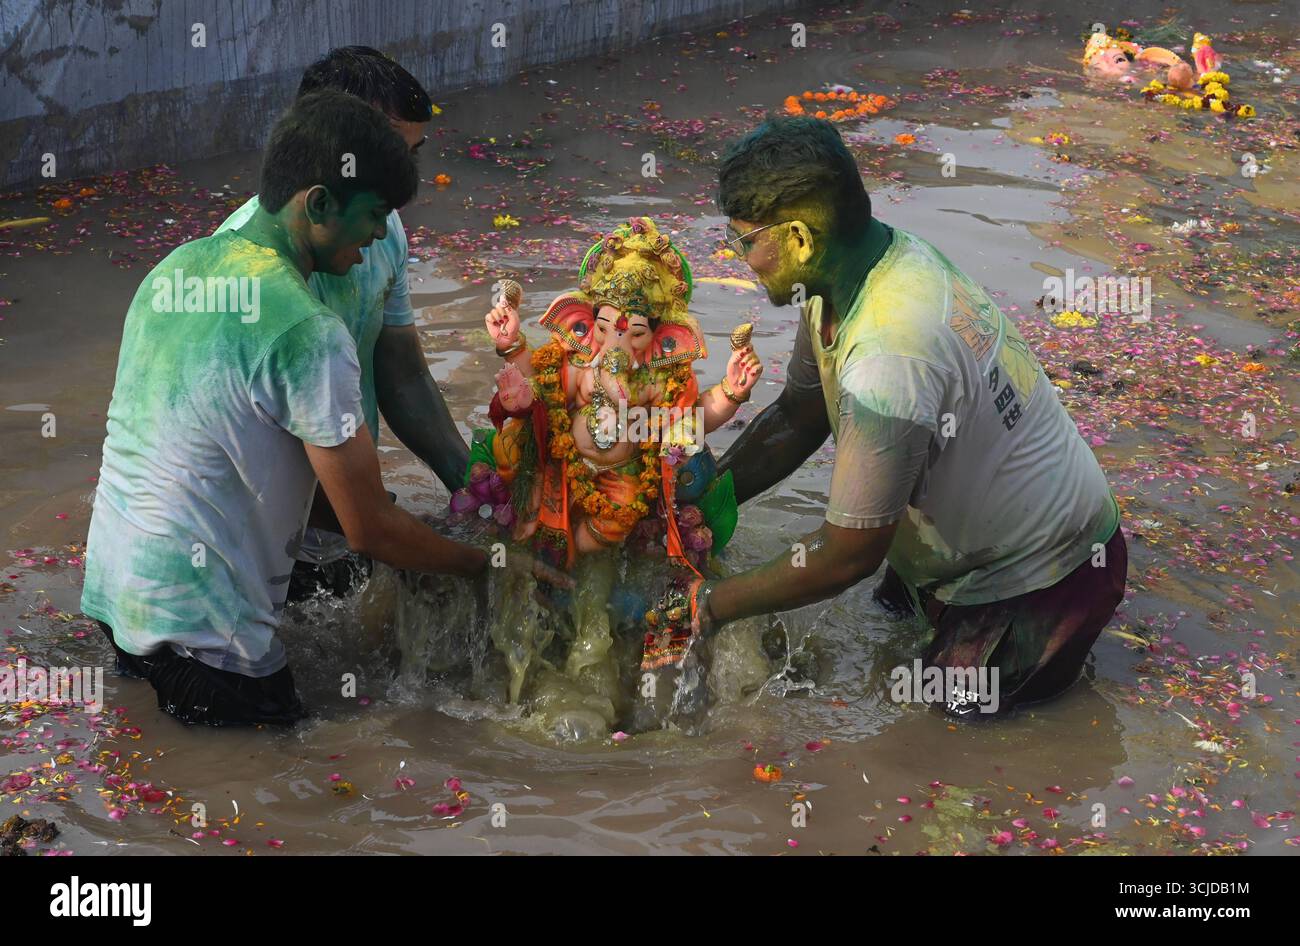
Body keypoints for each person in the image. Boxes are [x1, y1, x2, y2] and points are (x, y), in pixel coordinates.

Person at [677, 115, 1126, 716]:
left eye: (745, 241)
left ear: (800, 240)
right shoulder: (854, 272)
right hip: (967, 539)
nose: (743, 258)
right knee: (885, 629)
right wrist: (702, 498)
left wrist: (707, 605)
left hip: (1043, 578)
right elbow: (799, 416)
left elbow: (849, 555)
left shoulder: (890, 350)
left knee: (934, 734)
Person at [81, 91, 497, 726]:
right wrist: (485, 565)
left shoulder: (175, 269)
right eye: (376, 214)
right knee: (316, 802)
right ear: (321, 203)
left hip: (121, 611)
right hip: (217, 656)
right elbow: (369, 529)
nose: (382, 235)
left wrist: (420, 543)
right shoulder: (307, 330)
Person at [214, 46, 469, 602]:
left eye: (412, 154)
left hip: (348, 520)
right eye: (390, 154)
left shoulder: (383, 229)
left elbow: (402, 376)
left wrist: (475, 487)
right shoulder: (245, 275)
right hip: (260, 543)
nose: (404, 182)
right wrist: (389, 530)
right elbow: (253, 440)